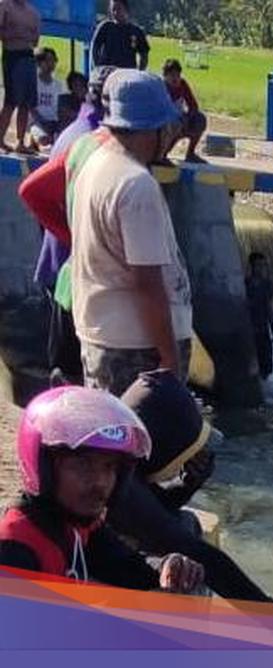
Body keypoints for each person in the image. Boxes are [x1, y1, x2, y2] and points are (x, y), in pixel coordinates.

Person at [0, 385, 205, 593]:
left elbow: (124, 566)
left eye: (109, 467)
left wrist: (166, 568)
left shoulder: (77, 523)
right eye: (82, 465)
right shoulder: (15, 548)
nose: (100, 481)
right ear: (43, 468)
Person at [70, 69, 190, 395]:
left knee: (112, 439)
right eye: (167, 127)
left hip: (102, 335)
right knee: (146, 443)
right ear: (153, 129)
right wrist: (168, 361)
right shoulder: (137, 186)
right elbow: (147, 283)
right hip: (138, 350)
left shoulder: (95, 165)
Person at [112, 369, 273, 602]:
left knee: (186, 524)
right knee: (187, 571)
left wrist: (187, 484)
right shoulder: (112, 476)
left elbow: (147, 515)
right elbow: (199, 554)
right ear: (158, 449)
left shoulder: (118, 451)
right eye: (184, 453)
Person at [17, 66, 118, 386]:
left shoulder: (74, 132)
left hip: (62, 265)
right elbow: (32, 191)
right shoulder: (91, 141)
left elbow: (35, 193)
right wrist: (76, 237)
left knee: (64, 365)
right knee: (74, 372)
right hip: (74, 270)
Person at [0, 0, 41, 154]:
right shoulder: (5, 6)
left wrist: (23, 35)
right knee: (11, 100)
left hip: (29, 58)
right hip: (12, 57)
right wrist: (14, 34)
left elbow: (35, 40)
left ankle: (20, 142)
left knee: (26, 103)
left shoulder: (33, 12)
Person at [161, 58, 207, 163]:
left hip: (180, 119)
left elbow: (193, 105)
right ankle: (162, 155)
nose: (175, 78)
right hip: (164, 123)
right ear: (165, 76)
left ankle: (190, 153)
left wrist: (188, 117)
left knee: (200, 119)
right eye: (172, 75)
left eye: (177, 75)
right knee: (173, 125)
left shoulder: (182, 85)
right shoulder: (160, 87)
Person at [90, 0, 149, 70]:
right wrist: (97, 68)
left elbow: (144, 54)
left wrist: (139, 72)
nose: (115, 12)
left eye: (118, 9)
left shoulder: (136, 31)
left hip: (127, 73)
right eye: (113, 9)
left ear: (126, 9)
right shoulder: (105, 27)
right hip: (108, 73)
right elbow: (95, 48)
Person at [244, 252, 273, 380]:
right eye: (259, 265)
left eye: (264, 265)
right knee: (253, 363)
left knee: (267, 364)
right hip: (250, 330)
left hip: (263, 328)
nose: (262, 268)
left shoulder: (267, 284)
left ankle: (265, 385)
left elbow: (269, 307)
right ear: (252, 266)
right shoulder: (245, 284)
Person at [27, 46, 62, 148]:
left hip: (53, 123)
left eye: (54, 60)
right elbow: (31, 109)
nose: (52, 64)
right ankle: (33, 138)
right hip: (36, 122)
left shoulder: (59, 85)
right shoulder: (32, 83)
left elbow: (60, 109)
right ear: (39, 63)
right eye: (48, 60)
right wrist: (43, 122)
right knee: (44, 140)